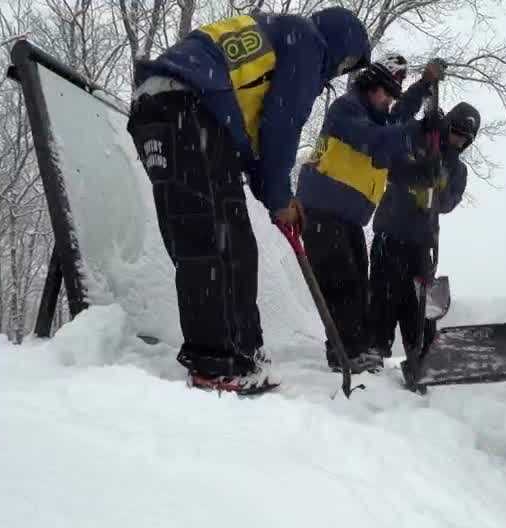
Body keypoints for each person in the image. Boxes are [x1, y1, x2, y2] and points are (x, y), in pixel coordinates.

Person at [128, 8, 371, 394]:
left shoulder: (276, 35)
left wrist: (277, 197)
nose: (339, 73)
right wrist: (279, 200)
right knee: (214, 243)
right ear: (343, 50)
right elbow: (281, 126)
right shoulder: (305, 41)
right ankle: (216, 363)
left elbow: (255, 147)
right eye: (347, 65)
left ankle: (241, 353)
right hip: (187, 109)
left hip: (160, 112)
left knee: (218, 238)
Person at [297, 55, 444, 373]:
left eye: (393, 97)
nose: (390, 102)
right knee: (340, 282)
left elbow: (397, 122)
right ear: (370, 86)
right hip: (320, 209)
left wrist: (423, 170)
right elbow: (377, 137)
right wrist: (418, 129)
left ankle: (354, 348)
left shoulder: (378, 118)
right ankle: (346, 352)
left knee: (357, 287)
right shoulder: (347, 109)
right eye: (386, 95)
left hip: (346, 216)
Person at [369, 101, 478, 361]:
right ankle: (375, 349)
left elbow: (448, 202)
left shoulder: (457, 170)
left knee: (419, 303)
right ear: (446, 126)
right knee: (384, 294)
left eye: (464, 138)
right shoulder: (419, 140)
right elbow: (393, 167)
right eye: (455, 132)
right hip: (392, 231)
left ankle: (422, 355)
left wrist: (433, 190)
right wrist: (419, 173)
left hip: (423, 241)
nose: (458, 140)